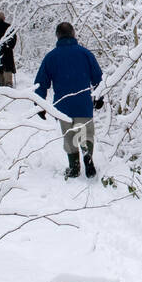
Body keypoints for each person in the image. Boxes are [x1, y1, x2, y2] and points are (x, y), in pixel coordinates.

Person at [33, 22, 104, 179]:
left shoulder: (51, 57)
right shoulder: (85, 54)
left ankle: (74, 167)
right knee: (86, 134)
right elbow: (98, 77)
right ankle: (88, 158)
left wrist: (40, 104)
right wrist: (99, 97)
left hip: (62, 105)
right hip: (83, 103)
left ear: (57, 36)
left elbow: (41, 82)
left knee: (69, 135)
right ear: (73, 34)